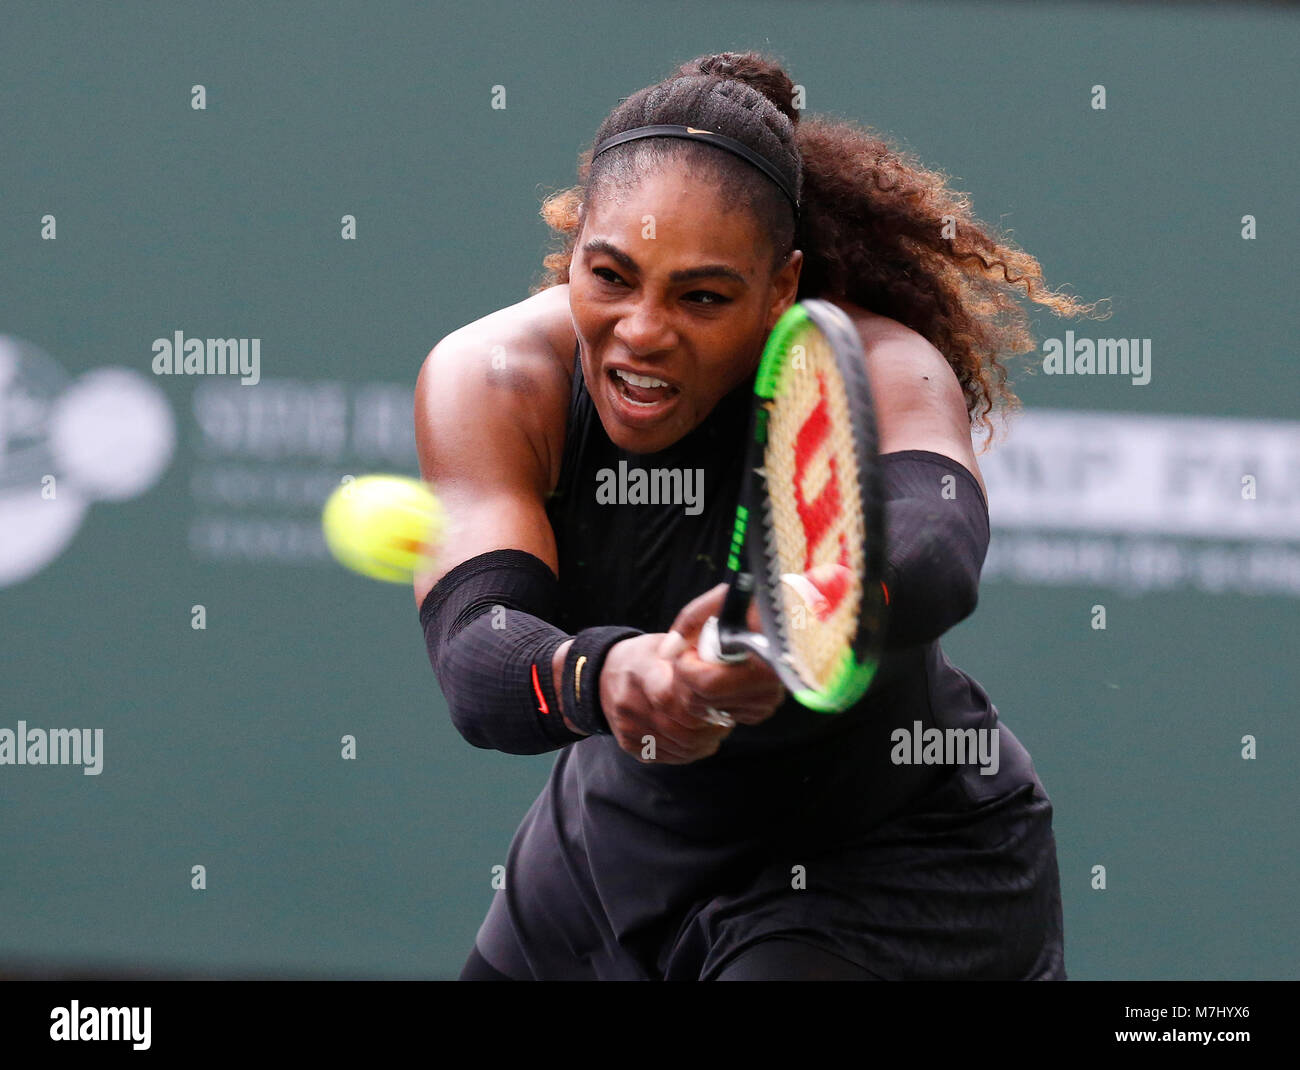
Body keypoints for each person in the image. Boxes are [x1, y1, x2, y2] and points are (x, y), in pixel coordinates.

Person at [415, 51, 1098, 981]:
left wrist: (789, 617)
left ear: (782, 290)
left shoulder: (889, 365)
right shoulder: (493, 380)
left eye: (702, 296)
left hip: (880, 863)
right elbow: (475, 650)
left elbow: (937, 548)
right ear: (574, 247)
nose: (644, 331)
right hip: (609, 846)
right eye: (611, 275)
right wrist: (608, 671)